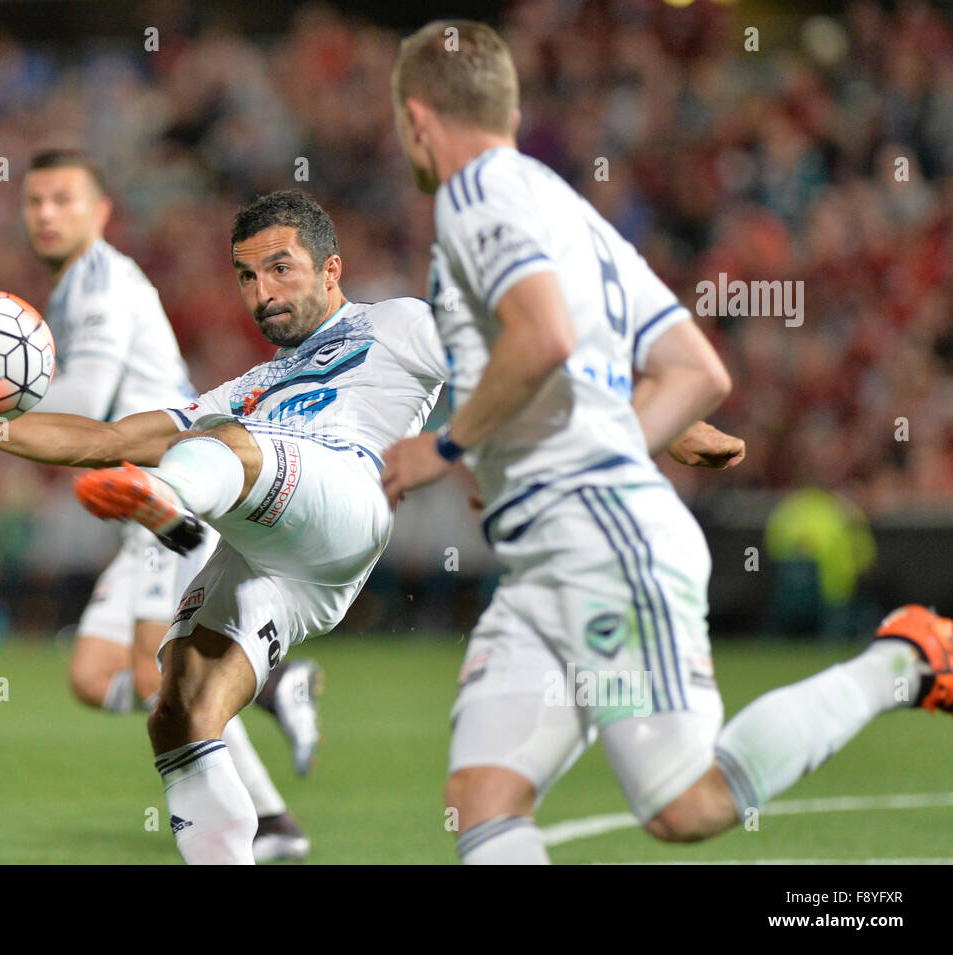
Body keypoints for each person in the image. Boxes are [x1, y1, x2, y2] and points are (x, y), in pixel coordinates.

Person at [382, 19, 952, 864]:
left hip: (599, 541)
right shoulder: (563, 205)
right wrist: (603, 437)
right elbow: (694, 371)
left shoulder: (471, 196)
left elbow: (542, 337)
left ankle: (906, 658)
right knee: (484, 797)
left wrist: (448, 448)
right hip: (552, 552)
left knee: (685, 805)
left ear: (417, 117)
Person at [0, 190, 449, 864]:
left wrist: (459, 446)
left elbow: (503, 359)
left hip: (346, 496)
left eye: (282, 268)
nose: (262, 291)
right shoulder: (253, 385)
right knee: (179, 711)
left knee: (231, 443)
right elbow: (108, 439)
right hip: (273, 556)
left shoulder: (397, 322)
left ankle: (165, 496)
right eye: (247, 275)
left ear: (332, 269)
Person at [20, 152, 312, 860]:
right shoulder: (71, 288)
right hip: (137, 505)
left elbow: (88, 409)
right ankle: (270, 723)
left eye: (64, 198)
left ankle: (266, 813)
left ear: (101, 211)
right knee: (94, 676)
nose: (47, 213)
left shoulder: (102, 281)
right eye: (34, 201)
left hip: (171, 493)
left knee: (159, 674)